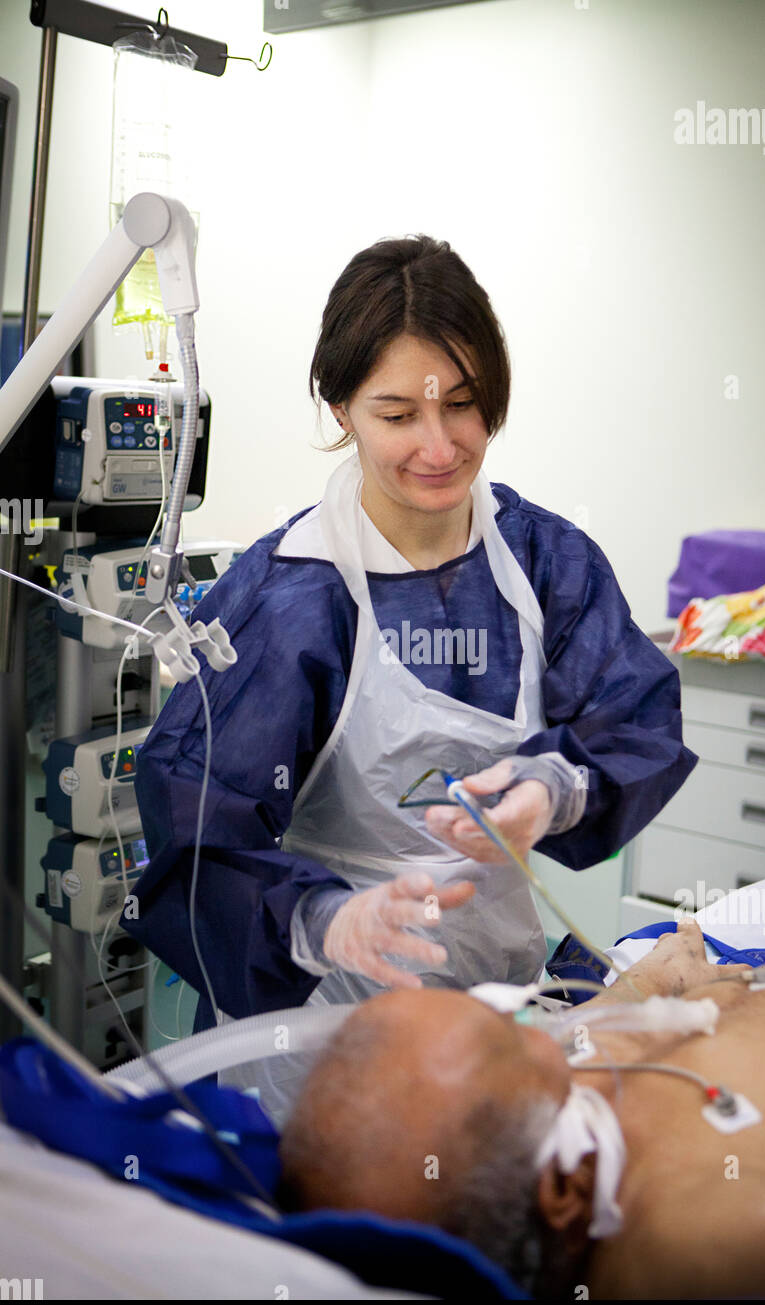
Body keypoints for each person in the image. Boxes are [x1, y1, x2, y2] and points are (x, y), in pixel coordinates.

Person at [129, 234, 696, 1105]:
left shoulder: (544, 561)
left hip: (497, 1002)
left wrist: (556, 789)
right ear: (341, 408)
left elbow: (633, 717)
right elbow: (196, 825)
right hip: (323, 1033)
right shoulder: (289, 594)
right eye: (398, 415)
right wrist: (321, 921)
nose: (438, 446)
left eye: (462, 405)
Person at [278, 921, 765, 1299]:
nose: (539, 1028)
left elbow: (588, 1029)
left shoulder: (539, 1115)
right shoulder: (719, 1244)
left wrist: (658, 975)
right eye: (508, 1040)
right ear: (560, 1189)